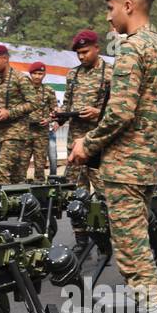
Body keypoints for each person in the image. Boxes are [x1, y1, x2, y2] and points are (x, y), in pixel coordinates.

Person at [68, 0, 157, 313]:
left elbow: (119, 112)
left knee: (133, 256)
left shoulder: (131, 48)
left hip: (123, 169)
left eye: (111, 8)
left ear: (128, 6)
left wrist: (87, 144)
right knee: (140, 246)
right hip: (146, 165)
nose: (108, 16)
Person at [58, 28, 109, 198]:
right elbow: (67, 103)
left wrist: (97, 112)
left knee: (104, 189)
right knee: (75, 191)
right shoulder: (73, 73)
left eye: (85, 52)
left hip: (99, 139)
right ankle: (80, 225)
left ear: (97, 48)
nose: (81, 57)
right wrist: (59, 115)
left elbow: (121, 108)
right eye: (78, 53)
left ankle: (105, 224)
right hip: (75, 140)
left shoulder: (111, 73)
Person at [0, 44, 34, 185]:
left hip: (17, 132)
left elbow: (33, 103)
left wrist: (10, 113)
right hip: (2, 132)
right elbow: (2, 106)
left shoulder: (20, 78)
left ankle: (2, 204)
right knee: (16, 175)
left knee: (2, 170)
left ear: (5, 58)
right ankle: (19, 204)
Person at [26, 61, 55, 179]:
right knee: (21, 164)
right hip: (25, 132)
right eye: (35, 73)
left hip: (41, 133)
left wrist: (48, 119)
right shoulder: (23, 89)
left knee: (40, 165)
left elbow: (55, 111)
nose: (37, 76)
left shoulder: (48, 90)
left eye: (40, 73)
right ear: (30, 74)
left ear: (44, 74)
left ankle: (39, 191)